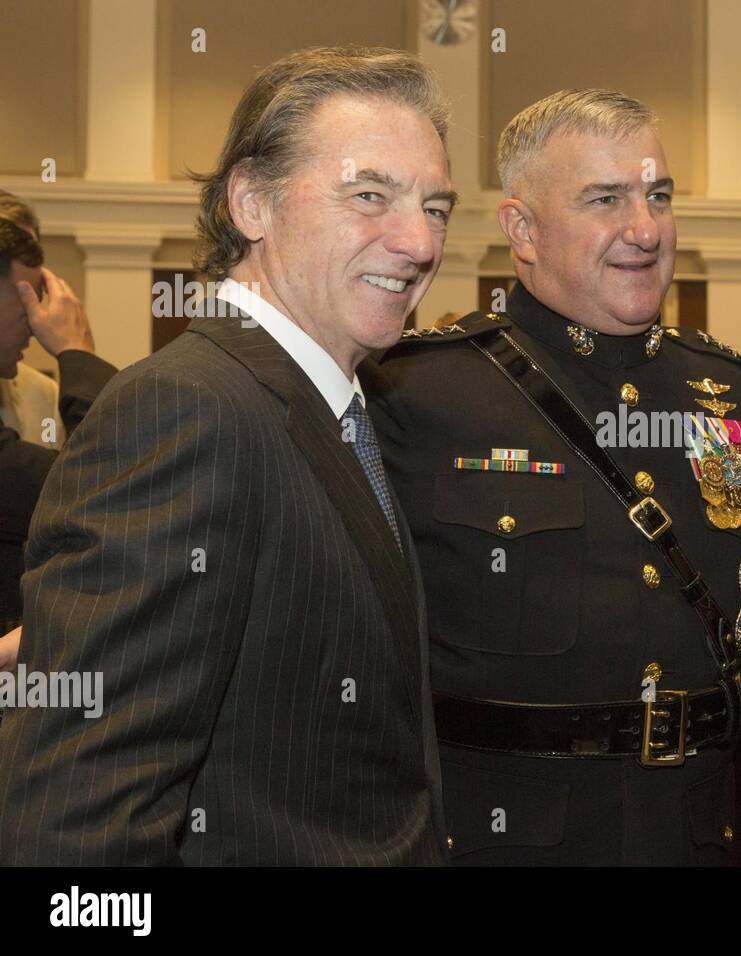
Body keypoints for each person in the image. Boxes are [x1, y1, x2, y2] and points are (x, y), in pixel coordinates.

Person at [0, 46, 453, 865]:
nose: (419, 241)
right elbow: (75, 819)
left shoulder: (346, 407)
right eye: (370, 196)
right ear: (252, 202)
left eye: (438, 207)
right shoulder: (184, 412)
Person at [362, 89, 741, 864]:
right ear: (522, 229)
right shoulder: (416, 394)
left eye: (658, 196)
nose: (644, 229)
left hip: (694, 833)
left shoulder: (736, 398)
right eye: (606, 199)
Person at [0, 191, 117, 632]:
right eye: (29, 295)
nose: (37, 317)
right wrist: (75, 352)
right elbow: (109, 480)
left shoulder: (37, 391)